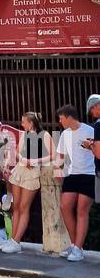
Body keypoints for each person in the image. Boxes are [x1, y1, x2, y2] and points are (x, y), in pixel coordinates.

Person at [1, 111, 53, 254]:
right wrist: (24, 160)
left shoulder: (45, 135)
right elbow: (17, 153)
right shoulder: (25, 135)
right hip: (20, 170)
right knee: (16, 206)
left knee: (24, 207)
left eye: (24, 121)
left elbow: (52, 155)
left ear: (30, 123)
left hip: (32, 173)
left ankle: (17, 240)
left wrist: (35, 161)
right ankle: (12, 240)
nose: (22, 124)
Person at [55, 104, 96, 263]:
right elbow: (60, 155)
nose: (59, 121)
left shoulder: (89, 130)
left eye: (61, 118)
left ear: (69, 117)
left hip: (89, 174)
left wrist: (90, 145)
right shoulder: (64, 134)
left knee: (81, 210)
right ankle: (75, 245)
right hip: (72, 174)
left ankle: (78, 248)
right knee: (65, 207)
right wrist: (57, 170)